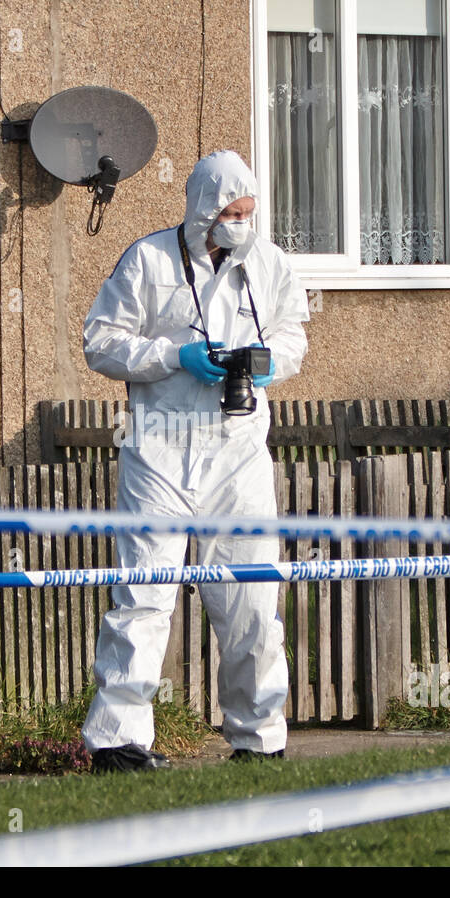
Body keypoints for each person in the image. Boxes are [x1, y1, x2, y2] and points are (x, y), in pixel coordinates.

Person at [80, 149, 310, 772]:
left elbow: (295, 333)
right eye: (231, 212)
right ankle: (120, 743)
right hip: (158, 452)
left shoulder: (267, 262)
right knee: (143, 597)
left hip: (237, 452)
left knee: (253, 600)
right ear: (204, 210)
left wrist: (262, 359)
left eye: (249, 212)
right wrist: (172, 356)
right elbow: (99, 342)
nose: (241, 222)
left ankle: (259, 740)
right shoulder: (149, 259)